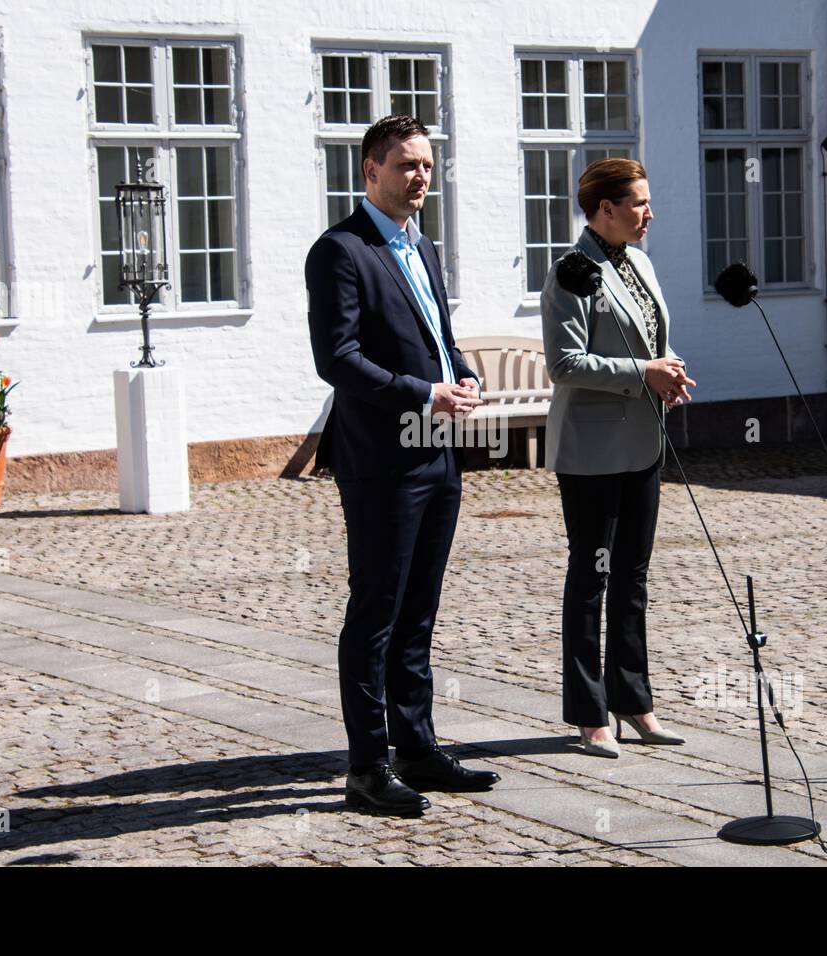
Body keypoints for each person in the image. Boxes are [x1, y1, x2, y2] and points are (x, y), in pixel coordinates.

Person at [305, 115, 501, 813]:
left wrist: (463, 373)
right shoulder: (341, 251)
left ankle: (416, 747)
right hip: (382, 460)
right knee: (377, 614)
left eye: (426, 166)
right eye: (405, 166)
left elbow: (435, 336)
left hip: (437, 453)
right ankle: (366, 768)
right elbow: (339, 360)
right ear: (370, 172)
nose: (420, 178)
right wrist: (424, 392)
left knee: (420, 612)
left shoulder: (424, 248)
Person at [539, 158, 696, 758]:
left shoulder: (641, 263)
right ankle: (588, 713)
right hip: (591, 450)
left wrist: (669, 366)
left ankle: (634, 701)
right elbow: (565, 364)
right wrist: (643, 374)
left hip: (643, 443)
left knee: (632, 579)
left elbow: (649, 338)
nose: (649, 213)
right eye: (639, 203)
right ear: (604, 209)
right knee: (592, 579)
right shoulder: (570, 273)